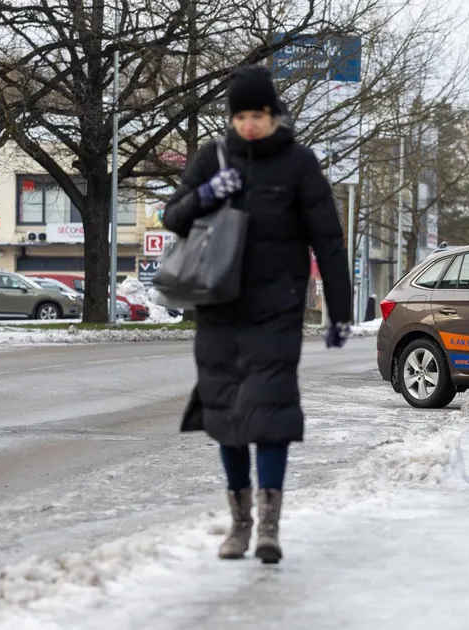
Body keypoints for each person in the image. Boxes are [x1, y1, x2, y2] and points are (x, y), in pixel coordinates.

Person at [163, 66, 352, 564]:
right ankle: (240, 523)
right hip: (219, 309)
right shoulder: (212, 158)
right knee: (226, 414)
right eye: (240, 116)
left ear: (273, 115)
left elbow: (328, 240)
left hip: (276, 310)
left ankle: (269, 526)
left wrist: (340, 310)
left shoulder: (298, 163)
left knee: (270, 413)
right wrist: (206, 194)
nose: (248, 125)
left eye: (257, 115)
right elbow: (173, 216)